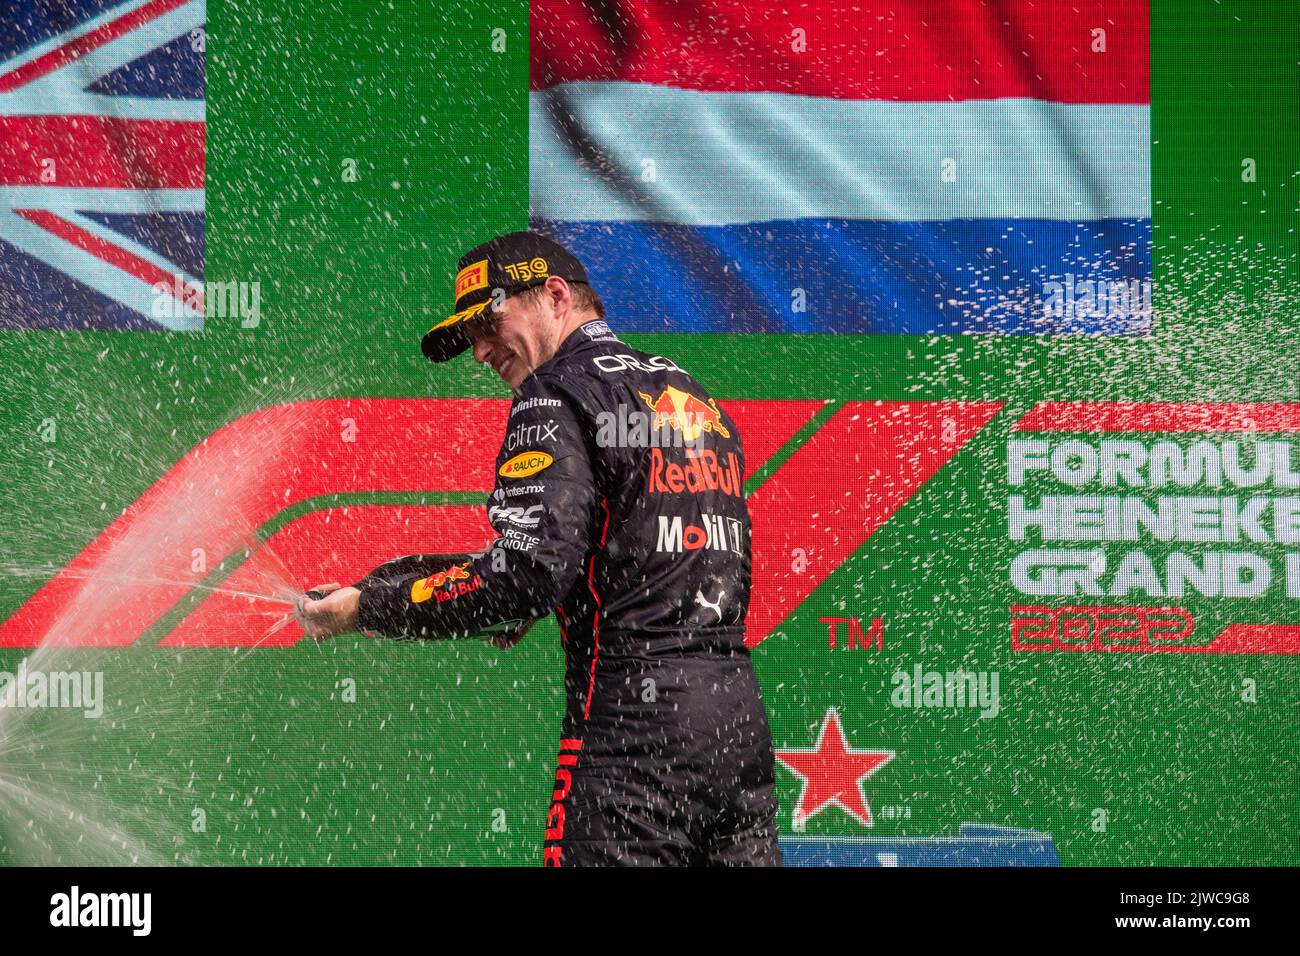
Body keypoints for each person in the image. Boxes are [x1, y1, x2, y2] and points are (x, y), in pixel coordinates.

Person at [298, 230, 782, 866]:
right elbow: (635, 554)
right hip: (736, 732)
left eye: (488, 321)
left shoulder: (553, 392)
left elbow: (530, 572)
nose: (478, 352)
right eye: (468, 337)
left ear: (555, 295)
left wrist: (367, 611)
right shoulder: (690, 395)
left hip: (633, 740)